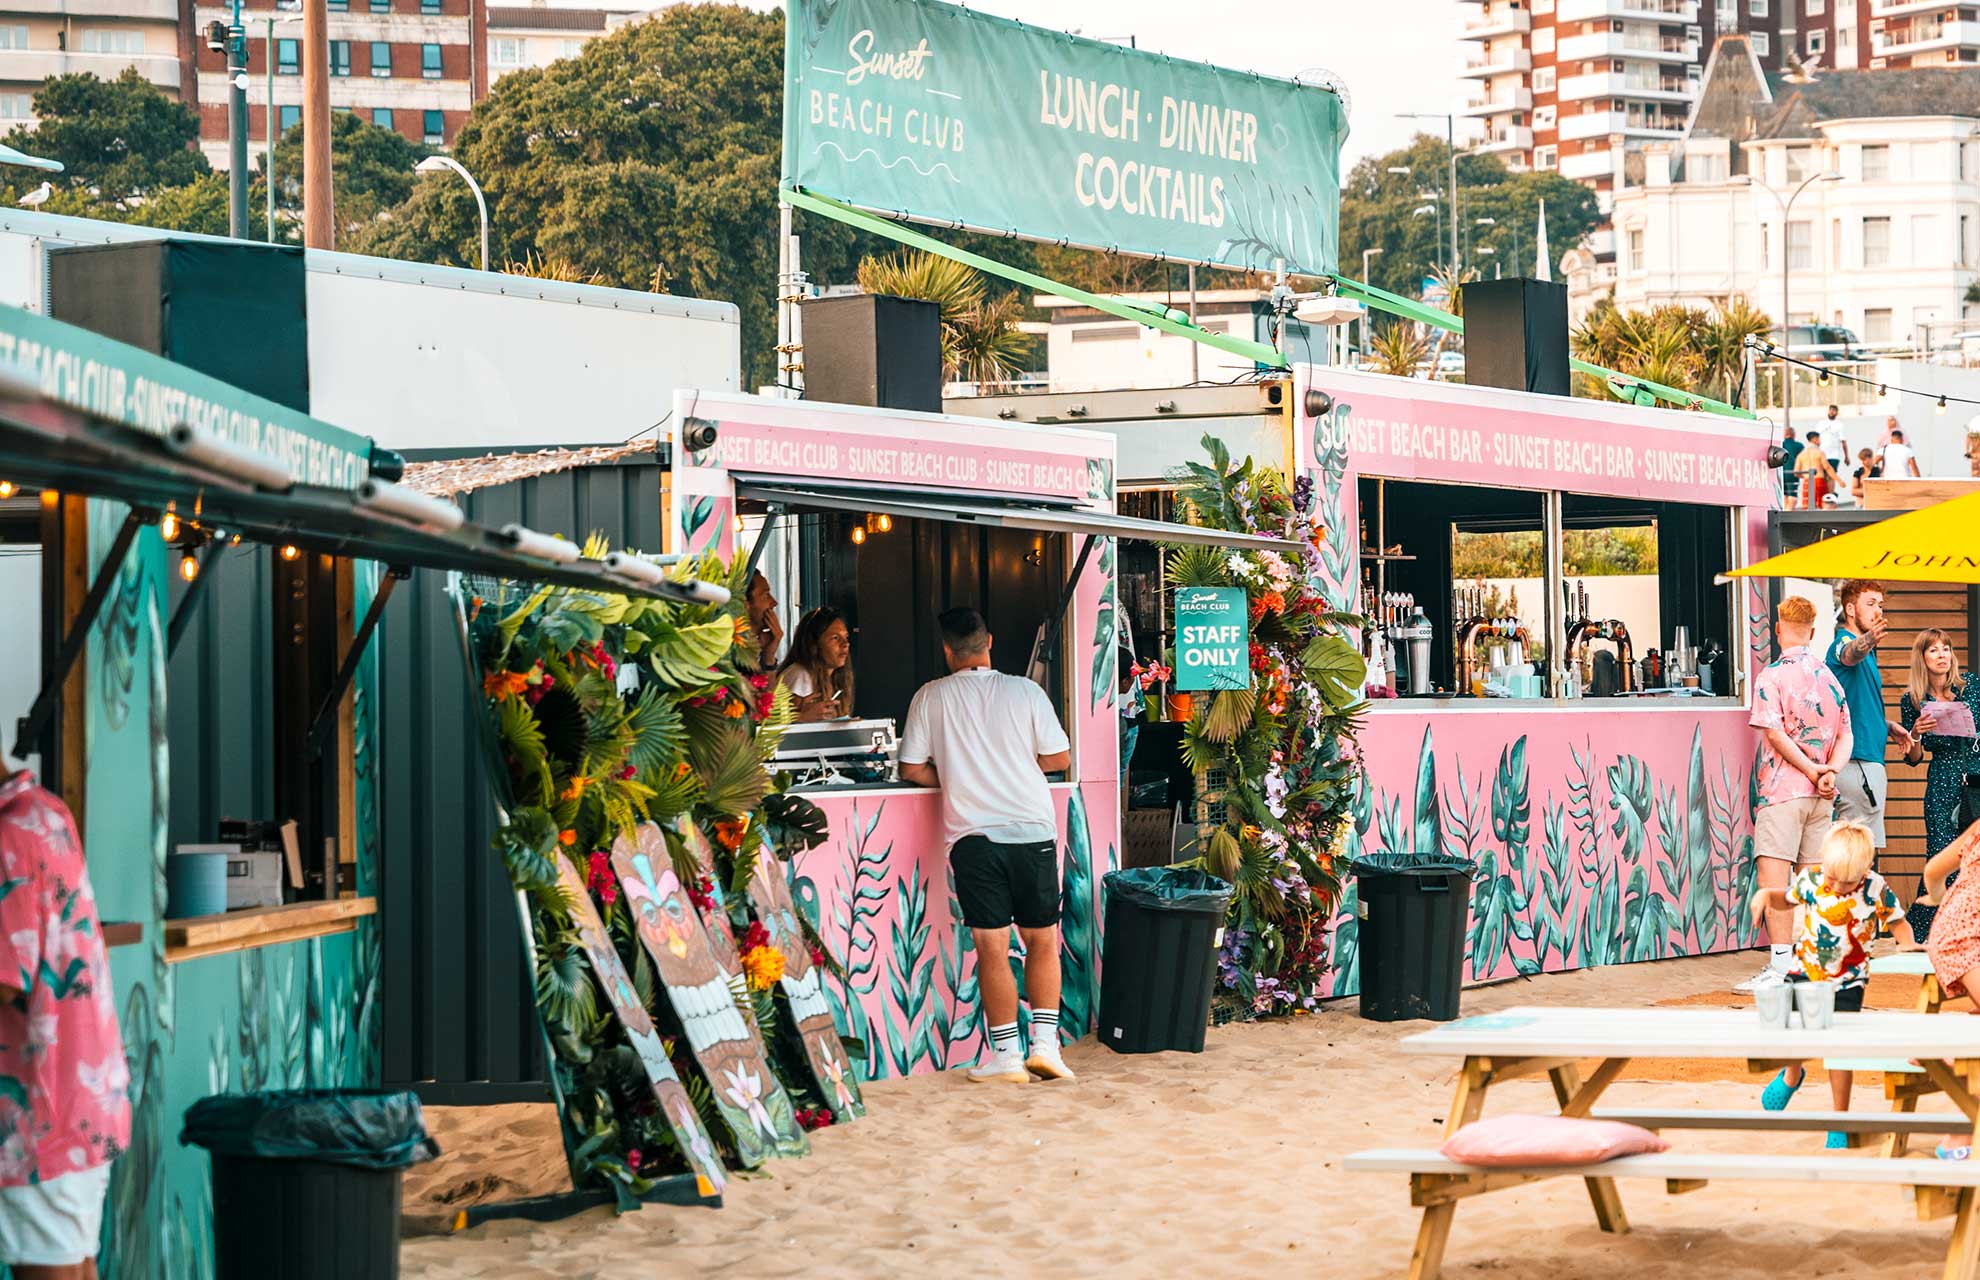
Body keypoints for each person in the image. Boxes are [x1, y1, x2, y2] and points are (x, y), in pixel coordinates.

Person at [897, 607, 1074, 1084]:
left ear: (947, 650)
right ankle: (1047, 1049)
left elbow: (911, 768)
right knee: (1042, 941)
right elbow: (1059, 756)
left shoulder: (930, 697)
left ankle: (1007, 1058)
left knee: (992, 947)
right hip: (1034, 829)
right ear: (989, 641)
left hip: (975, 837)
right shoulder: (1026, 691)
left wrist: (957, 777)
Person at [0, 764, 128, 1279]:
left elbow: (8, 978)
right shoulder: (47, 811)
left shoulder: (7, 835)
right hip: (84, 1102)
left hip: (38, 1115)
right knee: (76, 1266)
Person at [1750, 822, 1916, 1147]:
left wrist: (1906, 943)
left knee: (1838, 1052)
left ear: (1866, 869)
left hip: (1848, 981)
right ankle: (1792, 1074)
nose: (1838, 886)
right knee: (1790, 1025)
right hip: (1805, 970)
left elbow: (1897, 921)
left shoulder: (1874, 888)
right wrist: (1764, 895)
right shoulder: (1812, 879)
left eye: (1848, 881)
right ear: (1822, 863)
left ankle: (1839, 1119)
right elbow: (1787, 899)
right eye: (1832, 877)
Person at [1737, 596, 1852, 993]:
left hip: (1782, 789)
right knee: (1814, 880)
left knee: (1775, 877)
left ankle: (1781, 965)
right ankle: (1814, 965)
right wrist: (1829, 771)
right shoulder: (1830, 678)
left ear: (1778, 629)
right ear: (1814, 633)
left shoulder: (1771, 676)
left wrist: (1808, 769)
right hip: (1822, 794)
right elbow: (1846, 735)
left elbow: (1773, 731)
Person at [1828, 579, 1914, 863]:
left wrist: (1887, 726)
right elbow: (1849, 654)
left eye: (1880, 604)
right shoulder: (1844, 641)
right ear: (1850, 609)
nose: (1878, 610)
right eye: (1870, 604)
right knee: (1858, 859)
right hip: (1858, 763)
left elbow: (1855, 706)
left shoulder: (1870, 652)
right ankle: (1853, 909)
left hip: (1864, 760)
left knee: (1856, 856)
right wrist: (1868, 640)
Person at [1900, 631, 1980, 927]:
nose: (1942, 655)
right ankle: (1924, 930)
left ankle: (1966, 928)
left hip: (1975, 775)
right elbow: (1913, 758)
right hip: (1942, 779)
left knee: (1974, 855)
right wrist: (1917, 732)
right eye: (1934, 650)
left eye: (1946, 649)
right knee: (1940, 852)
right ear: (1922, 657)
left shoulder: (1971, 686)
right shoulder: (1912, 700)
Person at [1922, 817, 1980, 1159]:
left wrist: (1941, 900)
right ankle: (1943, 1054)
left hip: (1951, 926)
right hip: (1964, 939)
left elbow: (1933, 871)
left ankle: (1945, 1052)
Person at [778, 607, 853, 723]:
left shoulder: (834, 679)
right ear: (814, 644)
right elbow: (784, 731)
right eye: (835, 638)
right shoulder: (800, 675)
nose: (845, 644)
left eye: (846, 637)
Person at [744, 571, 784, 671]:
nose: (774, 602)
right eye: (766, 595)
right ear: (744, 604)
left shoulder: (759, 647)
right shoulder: (727, 652)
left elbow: (770, 687)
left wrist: (769, 656)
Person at [1796, 431, 1838, 509]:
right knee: (1823, 505)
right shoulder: (1820, 453)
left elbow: (1796, 472)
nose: (1820, 441)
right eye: (1819, 439)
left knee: (1807, 506)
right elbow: (1827, 467)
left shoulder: (1801, 454)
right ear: (1815, 439)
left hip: (1807, 481)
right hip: (1819, 480)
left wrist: (1805, 476)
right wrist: (1838, 480)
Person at [1781, 427, 1804, 503]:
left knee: (1783, 494)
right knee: (1792, 495)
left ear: (1785, 435)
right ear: (1793, 435)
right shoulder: (1799, 446)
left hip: (1781, 473)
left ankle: (1785, 511)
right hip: (1793, 474)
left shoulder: (1780, 444)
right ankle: (1789, 511)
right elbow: (1802, 460)